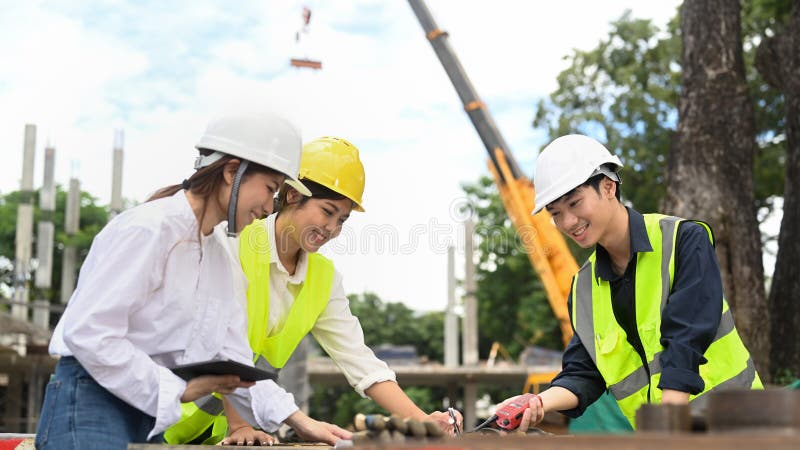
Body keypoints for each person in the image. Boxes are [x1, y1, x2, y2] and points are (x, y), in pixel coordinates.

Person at [34, 114, 352, 450]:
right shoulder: (149, 229)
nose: (270, 205)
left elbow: (234, 356)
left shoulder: (216, 256)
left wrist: (302, 422)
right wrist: (180, 391)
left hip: (146, 410)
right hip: (90, 400)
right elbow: (89, 333)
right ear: (232, 172)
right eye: (271, 188)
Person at [166, 137, 461, 446]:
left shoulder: (324, 278)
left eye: (342, 220)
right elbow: (224, 344)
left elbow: (359, 360)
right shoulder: (237, 243)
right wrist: (239, 425)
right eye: (327, 211)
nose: (332, 228)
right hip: (164, 418)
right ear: (293, 195)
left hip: (214, 436)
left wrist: (423, 420)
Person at [502, 134, 762, 431]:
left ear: (608, 187)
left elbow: (686, 340)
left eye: (575, 203)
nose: (569, 222)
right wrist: (537, 403)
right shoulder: (583, 289)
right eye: (556, 214)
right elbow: (584, 372)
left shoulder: (683, 241)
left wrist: (667, 428)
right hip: (667, 434)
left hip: (741, 428)